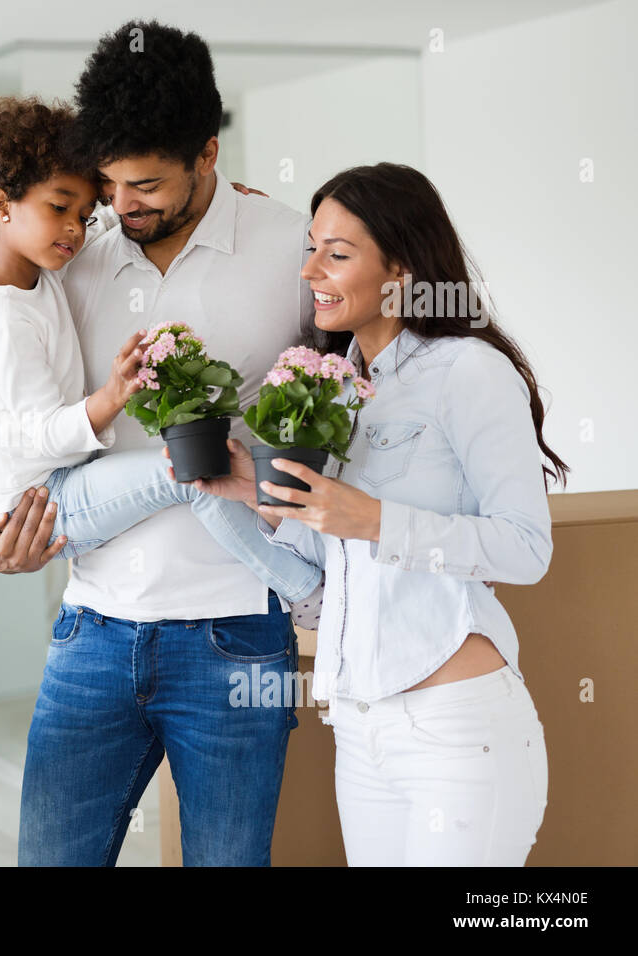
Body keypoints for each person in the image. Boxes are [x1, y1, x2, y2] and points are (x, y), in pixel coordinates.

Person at [0, 21, 331, 866]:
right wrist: (3, 525)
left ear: (207, 153)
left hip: (238, 636)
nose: (118, 205)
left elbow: (335, 424)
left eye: (144, 185)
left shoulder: (292, 248)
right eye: (106, 183)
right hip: (91, 630)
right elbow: (18, 416)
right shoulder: (74, 257)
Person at [180, 162, 564, 865]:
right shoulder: (334, 390)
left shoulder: (467, 372)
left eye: (338, 253)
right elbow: (331, 574)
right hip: (358, 728)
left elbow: (525, 547)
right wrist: (256, 496)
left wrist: (374, 518)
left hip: (456, 723)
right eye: (310, 248)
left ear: (403, 270)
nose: (310, 271)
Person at [0, 94, 322, 605]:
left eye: (85, 210)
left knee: (190, 468)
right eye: (62, 208)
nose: (79, 227)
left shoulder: (48, 266)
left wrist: (228, 200)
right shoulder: (3, 315)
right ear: (1, 205)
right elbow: (42, 435)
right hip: (41, 507)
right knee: (186, 473)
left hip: (90, 506)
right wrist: (115, 393)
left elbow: (103, 220)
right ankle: (308, 592)